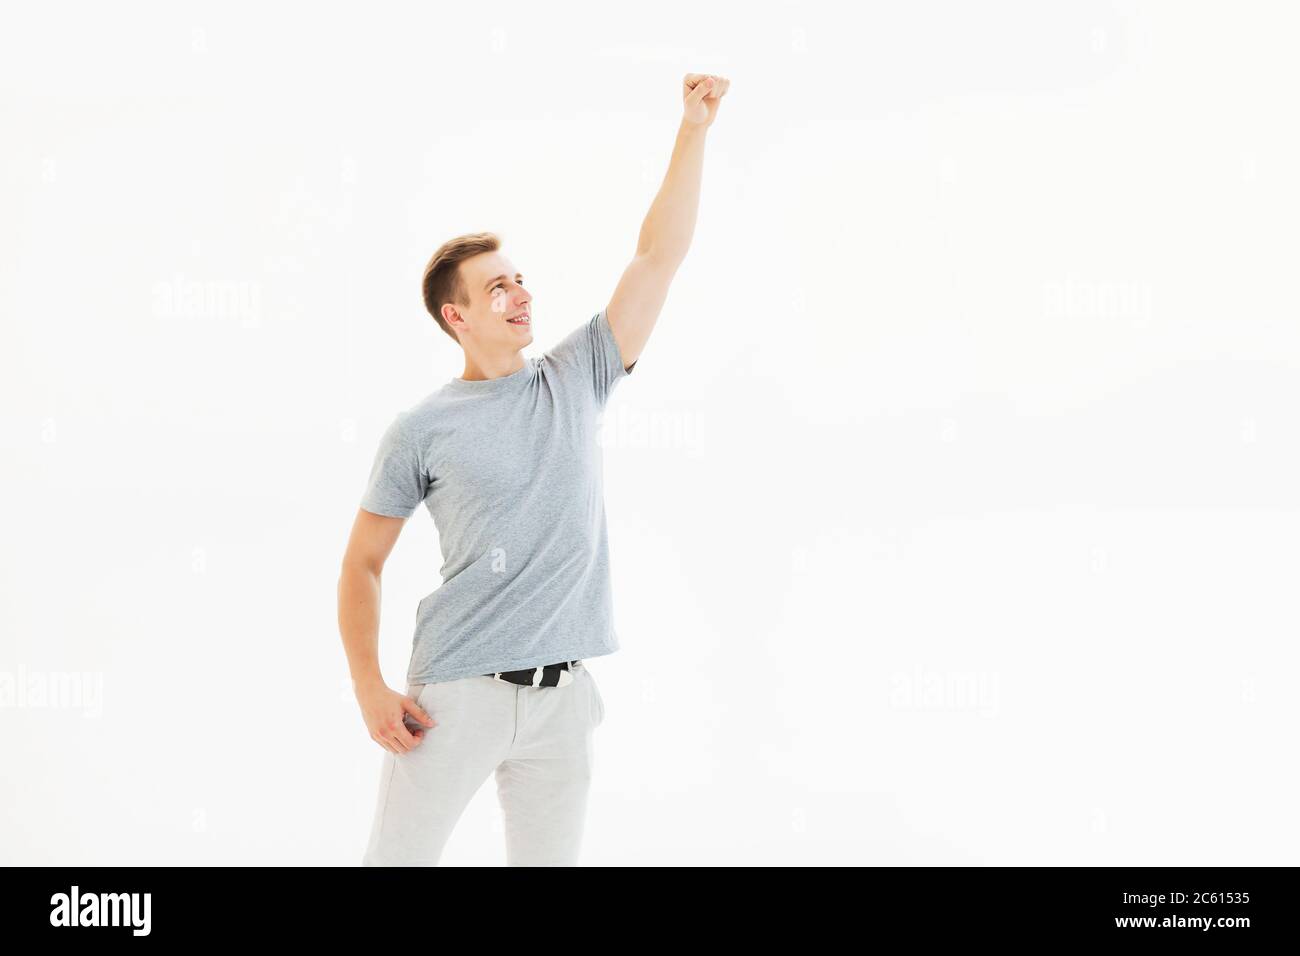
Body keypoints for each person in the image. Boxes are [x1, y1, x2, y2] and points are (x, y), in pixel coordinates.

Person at [337, 73, 730, 866]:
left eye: (519, 279)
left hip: (564, 704)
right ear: (458, 317)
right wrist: (371, 688)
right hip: (454, 698)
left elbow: (659, 255)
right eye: (496, 288)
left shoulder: (577, 374)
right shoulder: (421, 429)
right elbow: (363, 564)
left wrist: (692, 129)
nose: (519, 294)